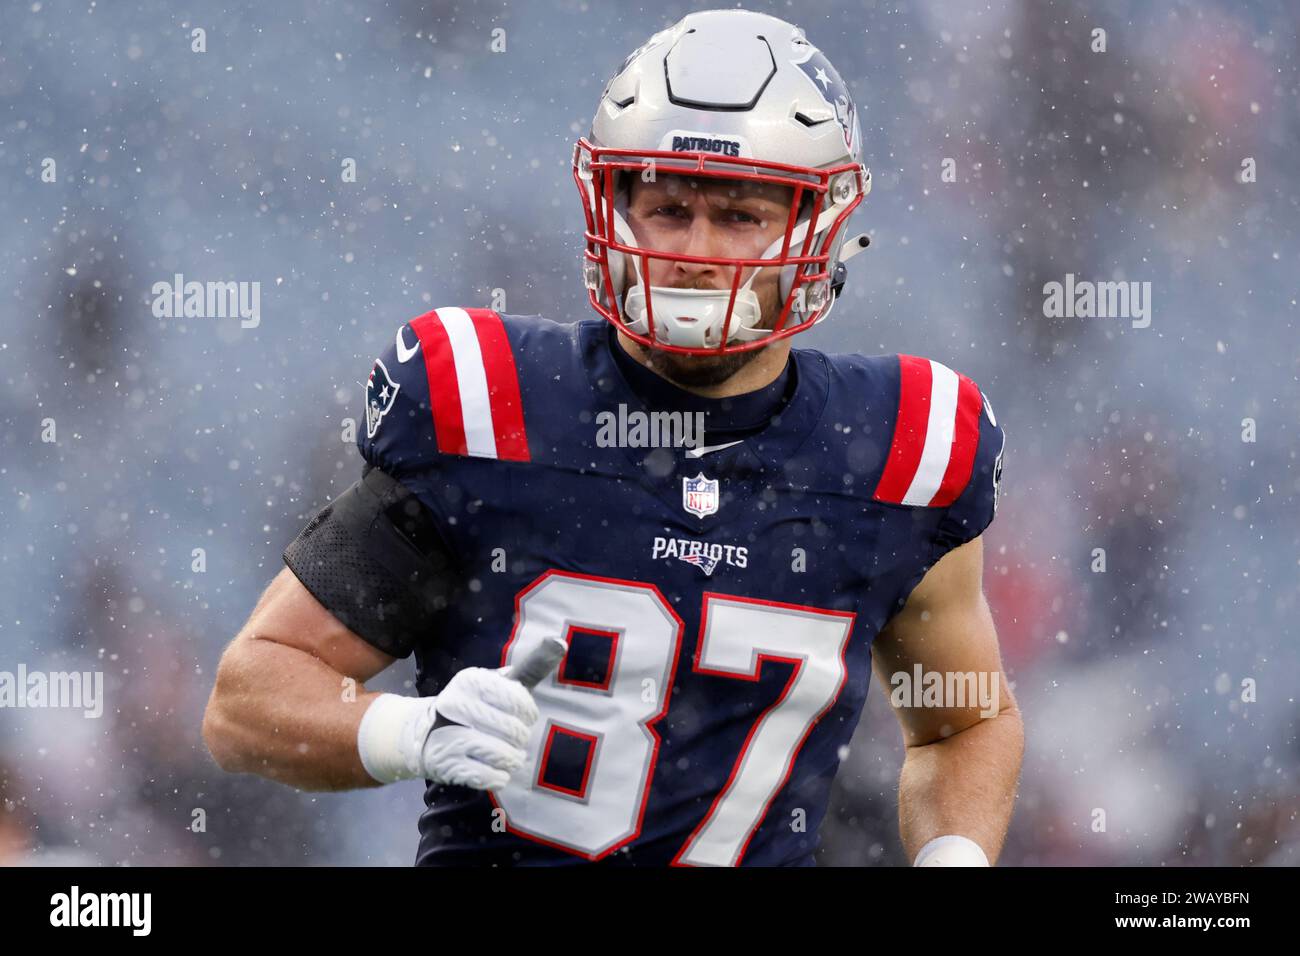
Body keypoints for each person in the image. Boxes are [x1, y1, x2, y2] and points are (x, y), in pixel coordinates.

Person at [203, 9, 1022, 867]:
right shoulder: (491, 412)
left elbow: (966, 721)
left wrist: (955, 857)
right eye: (668, 209)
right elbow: (246, 699)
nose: (697, 252)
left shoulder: (900, 452)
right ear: (612, 208)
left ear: (816, 232)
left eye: (741, 215)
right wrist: (411, 730)